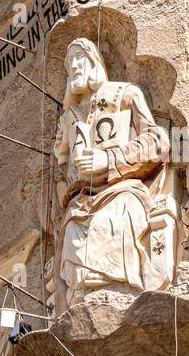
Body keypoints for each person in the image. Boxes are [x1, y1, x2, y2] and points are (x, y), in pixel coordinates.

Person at [51, 38, 171, 313]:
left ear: (94, 62)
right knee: (72, 228)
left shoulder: (124, 94)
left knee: (114, 216)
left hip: (124, 189)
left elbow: (157, 141)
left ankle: (118, 293)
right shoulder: (69, 119)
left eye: (79, 58)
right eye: (69, 63)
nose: (73, 67)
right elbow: (61, 171)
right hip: (84, 198)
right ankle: (81, 299)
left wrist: (108, 160)